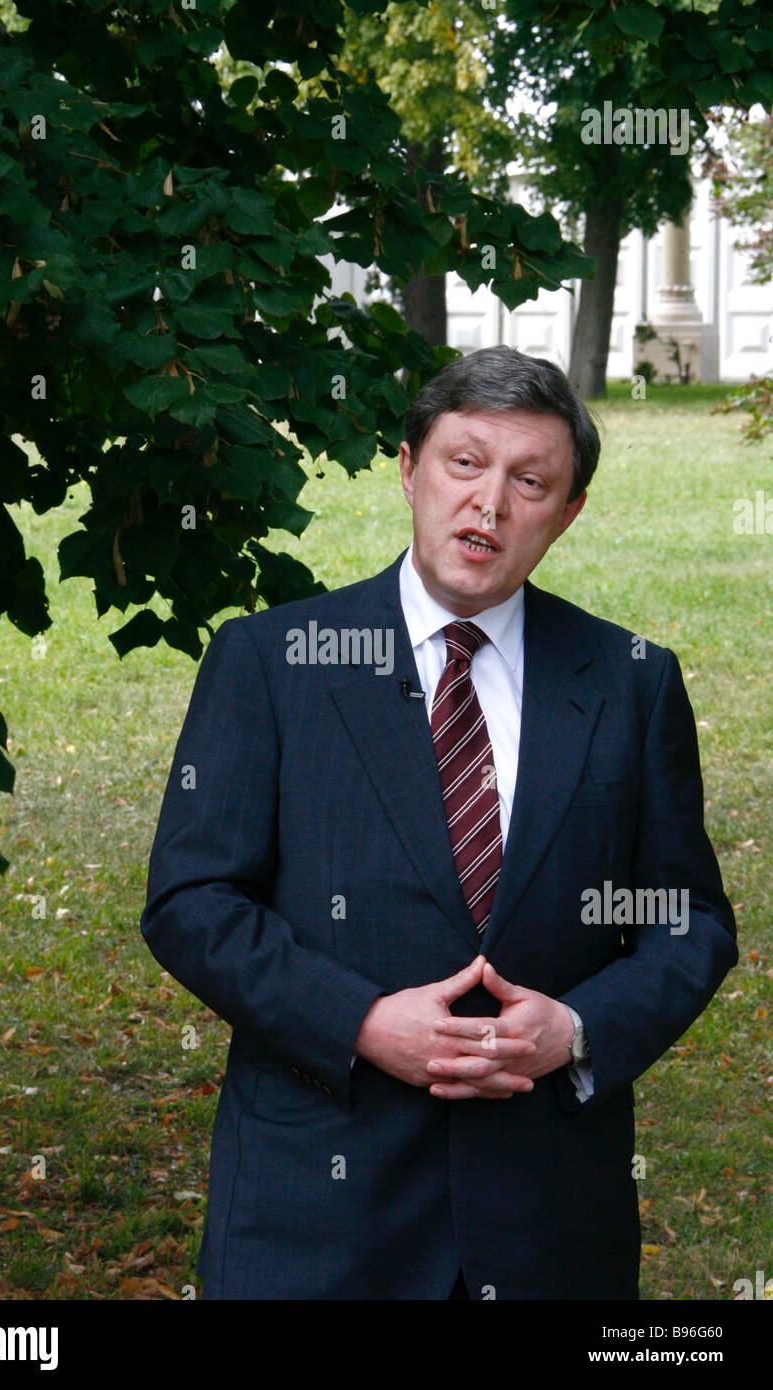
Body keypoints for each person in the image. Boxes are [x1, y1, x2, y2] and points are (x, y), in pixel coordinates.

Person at [140, 345, 737, 1300]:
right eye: (465, 464)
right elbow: (191, 900)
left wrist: (578, 1029)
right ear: (410, 465)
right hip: (317, 1217)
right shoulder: (272, 660)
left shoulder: (630, 680)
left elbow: (687, 922)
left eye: (529, 480)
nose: (489, 505)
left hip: (547, 1224)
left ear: (568, 511)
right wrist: (362, 1021)